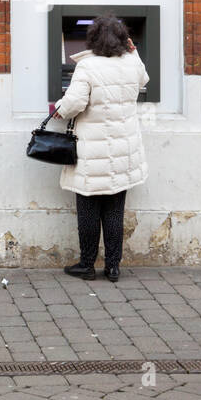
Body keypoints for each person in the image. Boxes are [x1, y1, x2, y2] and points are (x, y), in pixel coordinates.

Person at [52, 14, 149, 283]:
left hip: (91, 153)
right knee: (115, 210)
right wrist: (133, 50)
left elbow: (73, 104)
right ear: (122, 39)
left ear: (93, 39)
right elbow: (143, 79)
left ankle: (87, 264)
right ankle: (113, 267)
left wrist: (58, 110)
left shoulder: (87, 66)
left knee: (89, 210)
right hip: (123, 150)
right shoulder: (131, 63)